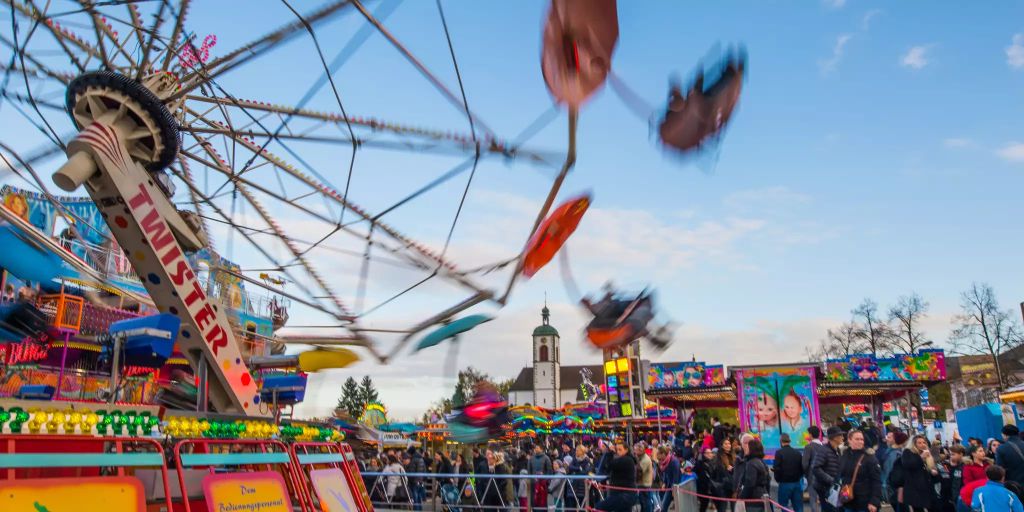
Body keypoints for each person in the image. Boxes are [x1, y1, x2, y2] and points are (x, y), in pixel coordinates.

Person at [838, 429, 883, 512]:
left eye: (862, 439)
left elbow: (877, 481)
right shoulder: (844, 455)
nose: (860, 442)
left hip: (865, 502)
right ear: (849, 440)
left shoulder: (869, 457)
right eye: (857, 439)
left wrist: (874, 501)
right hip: (848, 500)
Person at [595, 442, 638, 512]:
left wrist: (610, 453)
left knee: (599, 507)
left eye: (620, 449)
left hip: (624, 495)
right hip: (623, 494)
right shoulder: (627, 459)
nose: (617, 452)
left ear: (626, 450)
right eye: (616, 449)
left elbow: (608, 466)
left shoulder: (626, 460)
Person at [903, 435, 940, 512]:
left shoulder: (927, 454)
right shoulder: (908, 452)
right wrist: (920, 457)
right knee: (918, 508)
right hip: (915, 489)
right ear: (914, 444)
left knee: (935, 507)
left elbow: (929, 468)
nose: (922, 444)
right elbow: (908, 464)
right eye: (919, 443)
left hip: (928, 487)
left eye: (924, 442)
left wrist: (933, 472)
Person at [812, 426, 844, 512]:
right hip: (825, 488)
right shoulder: (824, 450)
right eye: (840, 435)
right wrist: (831, 480)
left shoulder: (837, 450)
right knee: (829, 509)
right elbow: (815, 468)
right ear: (834, 437)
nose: (842, 437)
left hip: (834, 487)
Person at [733, 438, 770, 512]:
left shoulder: (751, 463)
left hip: (753, 499)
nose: (745, 448)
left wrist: (741, 497)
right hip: (761, 496)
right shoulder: (760, 461)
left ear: (752, 449)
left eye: (747, 446)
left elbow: (750, 483)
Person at [774, 433, 804, 512]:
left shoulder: (779, 453)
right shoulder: (797, 453)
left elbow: (776, 468)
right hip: (797, 482)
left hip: (784, 483)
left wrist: (778, 479)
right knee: (798, 507)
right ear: (789, 441)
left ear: (781, 441)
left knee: (784, 506)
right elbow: (802, 468)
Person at [883, 430, 910, 512]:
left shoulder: (889, 452)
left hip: (891, 487)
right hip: (896, 489)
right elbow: (892, 472)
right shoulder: (896, 454)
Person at [805, 425, 826, 512]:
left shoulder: (809, 447)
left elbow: (804, 464)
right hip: (824, 477)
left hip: (812, 476)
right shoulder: (824, 446)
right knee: (823, 500)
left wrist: (806, 474)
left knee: (813, 499)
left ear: (810, 435)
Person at [566, 445, 592, 511]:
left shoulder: (587, 460)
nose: (576, 452)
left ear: (582, 451)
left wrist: (576, 471)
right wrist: (578, 468)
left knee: (582, 504)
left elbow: (586, 471)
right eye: (576, 450)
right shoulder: (575, 459)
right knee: (571, 505)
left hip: (582, 486)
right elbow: (570, 467)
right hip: (573, 485)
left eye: (577, 450)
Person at [694, 446, 720, 512]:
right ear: (704, 454)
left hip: (712, 487)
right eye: (707, 453)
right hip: (703, 489)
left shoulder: (714, 463)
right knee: (704, 505)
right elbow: (694, 472)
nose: (710, 454)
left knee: (719, 505)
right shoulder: (699, 463)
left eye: (710, 453)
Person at [941, 445, 966, 512]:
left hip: (957, 498)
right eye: (950, 454)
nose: (951, 456)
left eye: (953, 454)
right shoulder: (944, 465)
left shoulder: (965, 467)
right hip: (945, 498)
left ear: (961, 454)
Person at [658, 445, 682, 512]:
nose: (658, 456)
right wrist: (664, 483)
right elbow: (665, 473)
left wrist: (674, 489)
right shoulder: (665, 461)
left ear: (663, 453)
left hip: (675, 487)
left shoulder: (674, 461)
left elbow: (676, 476)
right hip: (669, 486)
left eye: (659, 454)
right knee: (663, 507)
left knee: (679, 507)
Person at [636, 443, 655, 512]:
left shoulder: (645, 459)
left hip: (645, 485)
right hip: (643, 484)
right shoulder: (641, 458)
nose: (635, 452)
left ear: (641, 450)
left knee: (646, 504)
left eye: (637, 450)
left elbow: (639, 471)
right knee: (644, 503)